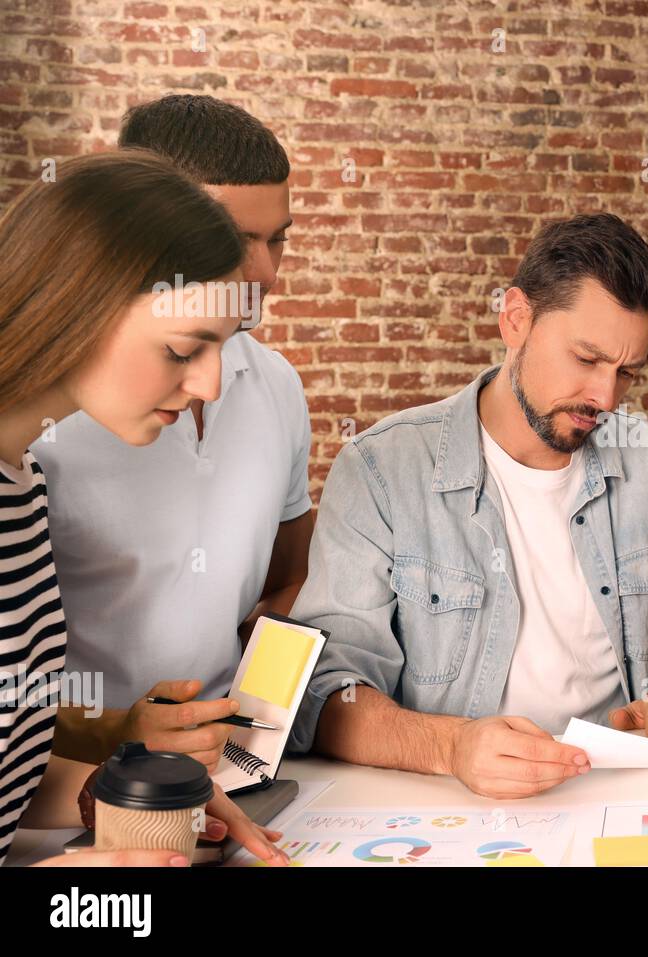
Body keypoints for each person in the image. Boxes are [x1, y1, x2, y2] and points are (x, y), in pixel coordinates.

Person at [288, 212, 648, 799]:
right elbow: (326, 690)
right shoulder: (381, 469)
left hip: (617, 789)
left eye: (627, 373)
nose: (605, 397)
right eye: (587, 359)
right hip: (448, 801)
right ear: (516, 319)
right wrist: (451, 747)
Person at [0, 150, 287, 866]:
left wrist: (124, 792)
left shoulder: (22, 482)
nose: (212, 384)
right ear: (77, 305)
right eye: (183, 348)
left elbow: (11, 780)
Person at [36, 95, 313, 773]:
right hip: (57, 789)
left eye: (276, 238)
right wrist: (116, 736)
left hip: (222, 774)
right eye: (236, 238)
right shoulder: (44, 417)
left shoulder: (276, 386)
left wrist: (253, 720)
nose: (265, 273)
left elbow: (289, 579)